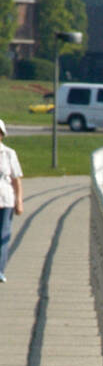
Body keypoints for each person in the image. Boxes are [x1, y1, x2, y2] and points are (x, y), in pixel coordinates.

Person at [0, 119, 24, 285]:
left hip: (5, 200)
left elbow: (16, 180)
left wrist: (19, 201)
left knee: (3, 236)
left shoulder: (9, 153)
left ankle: (0, 270)